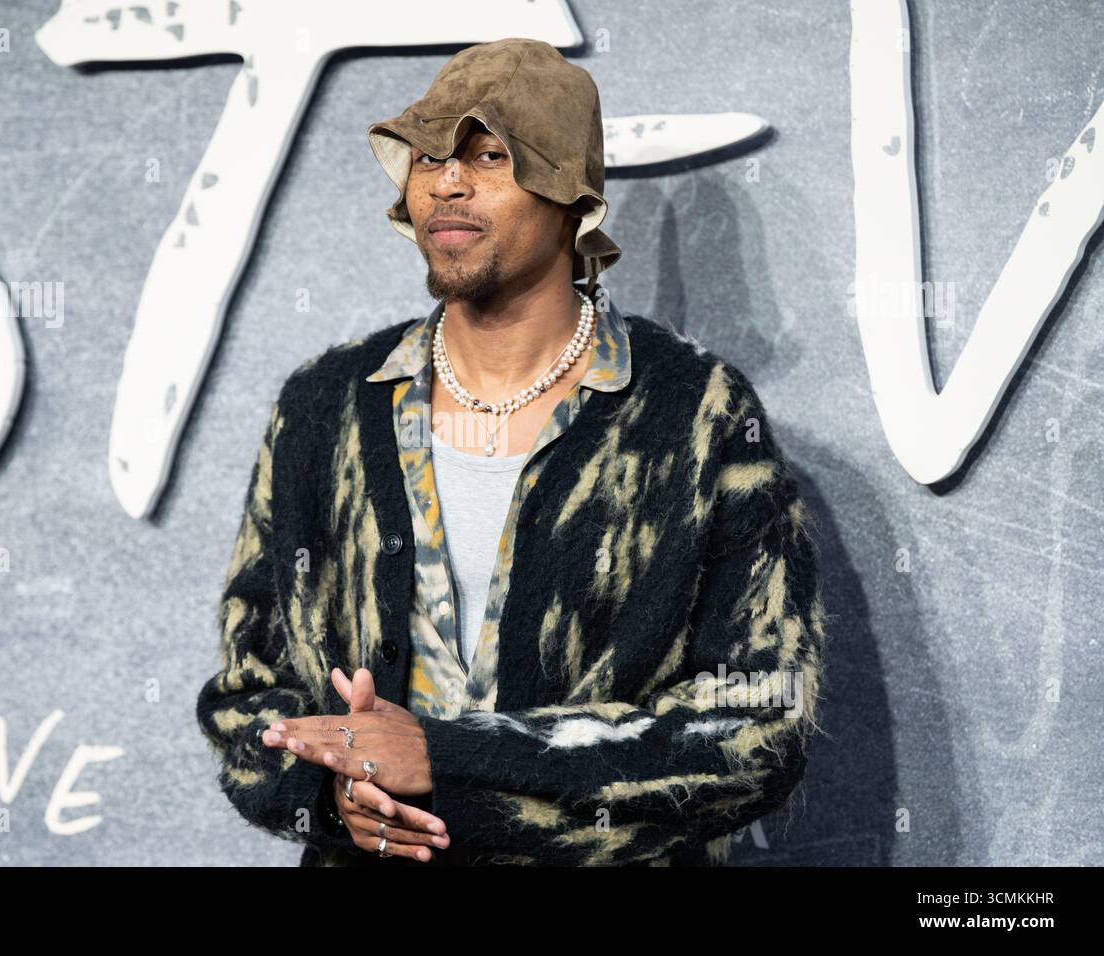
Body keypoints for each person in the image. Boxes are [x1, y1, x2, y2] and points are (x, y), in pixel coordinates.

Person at [196, 37, 829, 867]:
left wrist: (448, 761)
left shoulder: (695, 412)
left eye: (489, 154)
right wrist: (330, 795)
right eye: (426, 155)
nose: (447, 180)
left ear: (572, 195)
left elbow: (755, 726)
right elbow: (249, 696)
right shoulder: (326, 406)